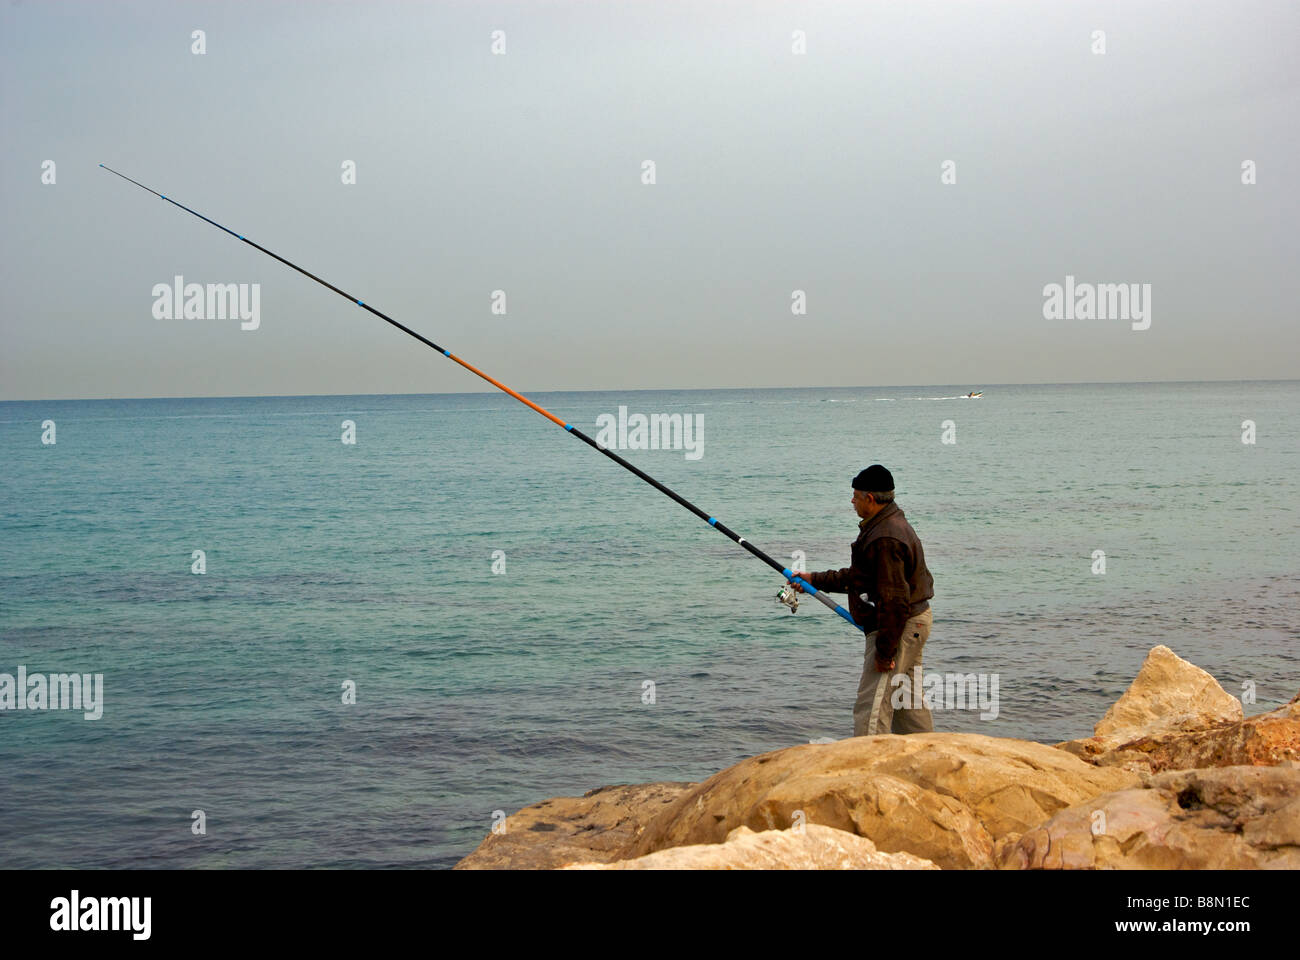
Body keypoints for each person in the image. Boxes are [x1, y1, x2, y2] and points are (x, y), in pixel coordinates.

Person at [792, 465, 935, 737]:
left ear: (870, 498)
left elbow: (894, 600)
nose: (852, 501)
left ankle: (870, 768)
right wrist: (813, 579)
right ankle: (931, 757)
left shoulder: (885, 537)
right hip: (914, 622)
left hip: (899, 626)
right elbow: (861, 577)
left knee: (872, 705)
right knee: (907, 703)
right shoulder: (888, 524)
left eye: (855, 496)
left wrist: (884, 651)